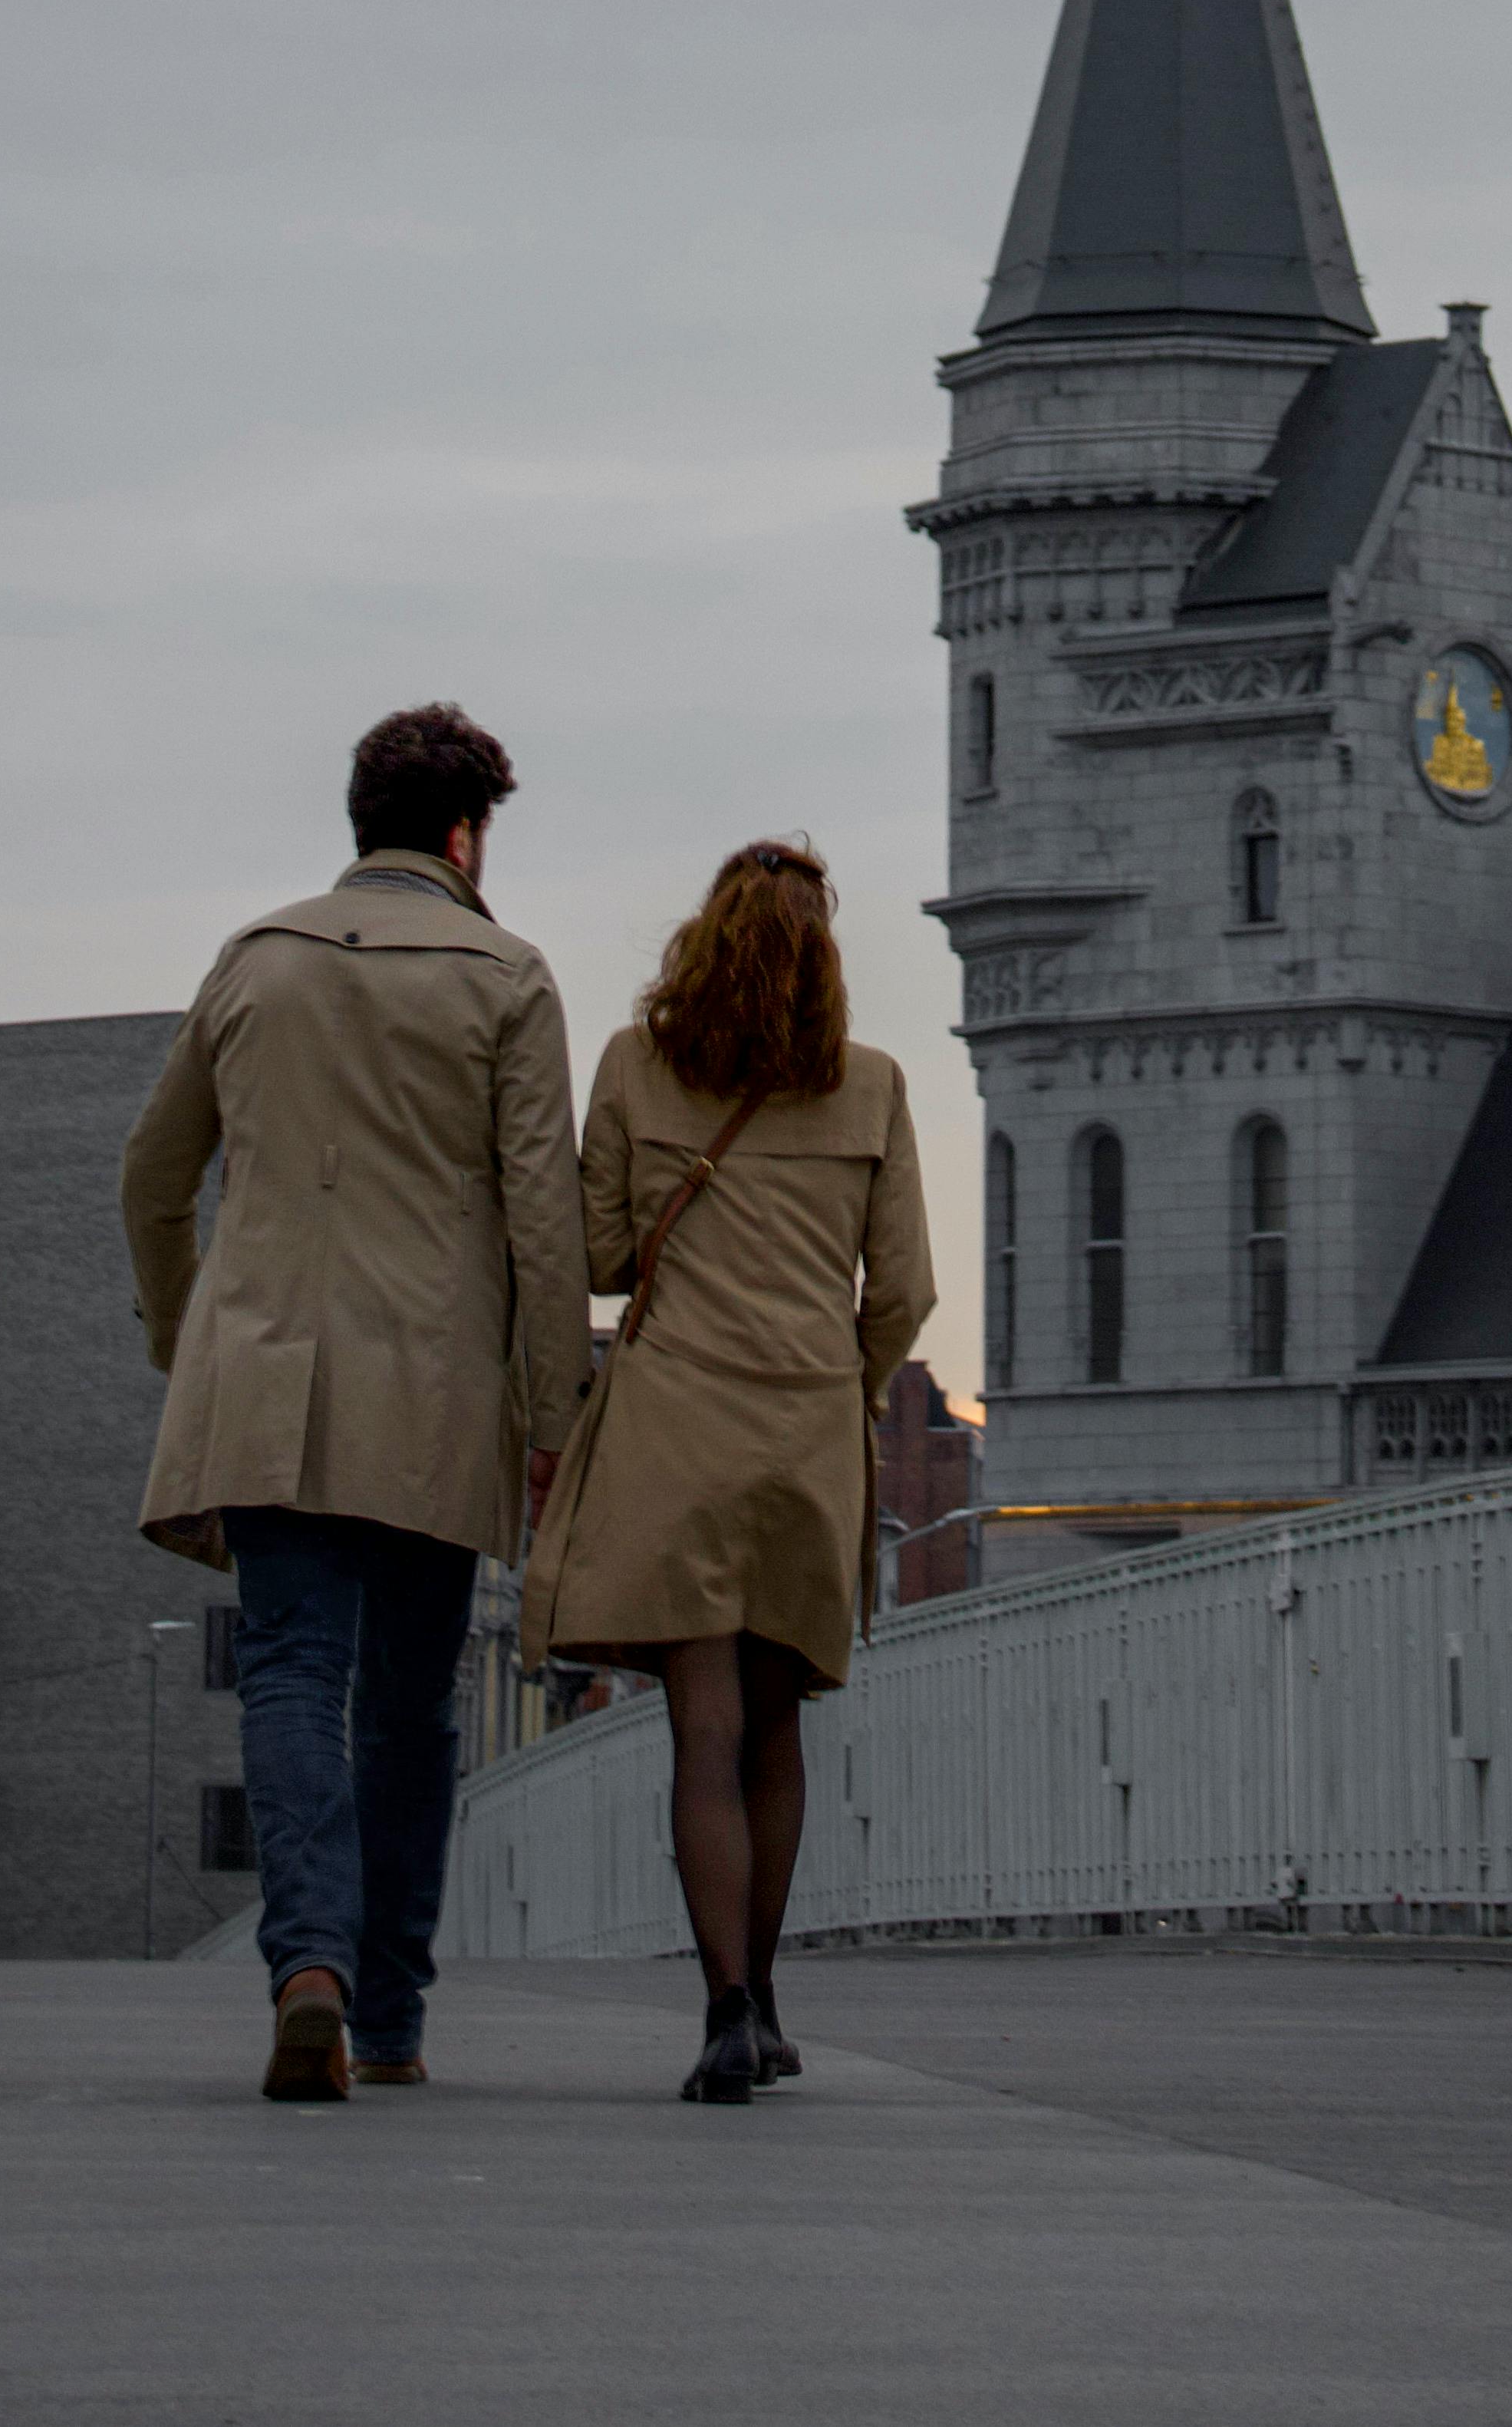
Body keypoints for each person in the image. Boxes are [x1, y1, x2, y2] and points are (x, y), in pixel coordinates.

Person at [122, 701, 588, 2103]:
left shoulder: (252, 960)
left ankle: (304, 1967)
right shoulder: (507, 976)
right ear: (466, 833)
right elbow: (545, 1223)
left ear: (359, 824)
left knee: (285, 1671)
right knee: (406, 1707)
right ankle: (387, 2017)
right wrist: (554, 1416)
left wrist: (180, 1341)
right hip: (433, 1393)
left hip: (261, 1383)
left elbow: (150, 1177)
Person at [520, 837, 933, 2104]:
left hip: (674, 1425)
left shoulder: (638, 1069)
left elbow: (593, 1255)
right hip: (806, 1428)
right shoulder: (867, 1088)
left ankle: (723, 2008)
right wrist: (844, 1386)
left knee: (699, 1726)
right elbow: (905, 1291)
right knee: (774, 1729)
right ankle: (768, 2001)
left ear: (701, 940)